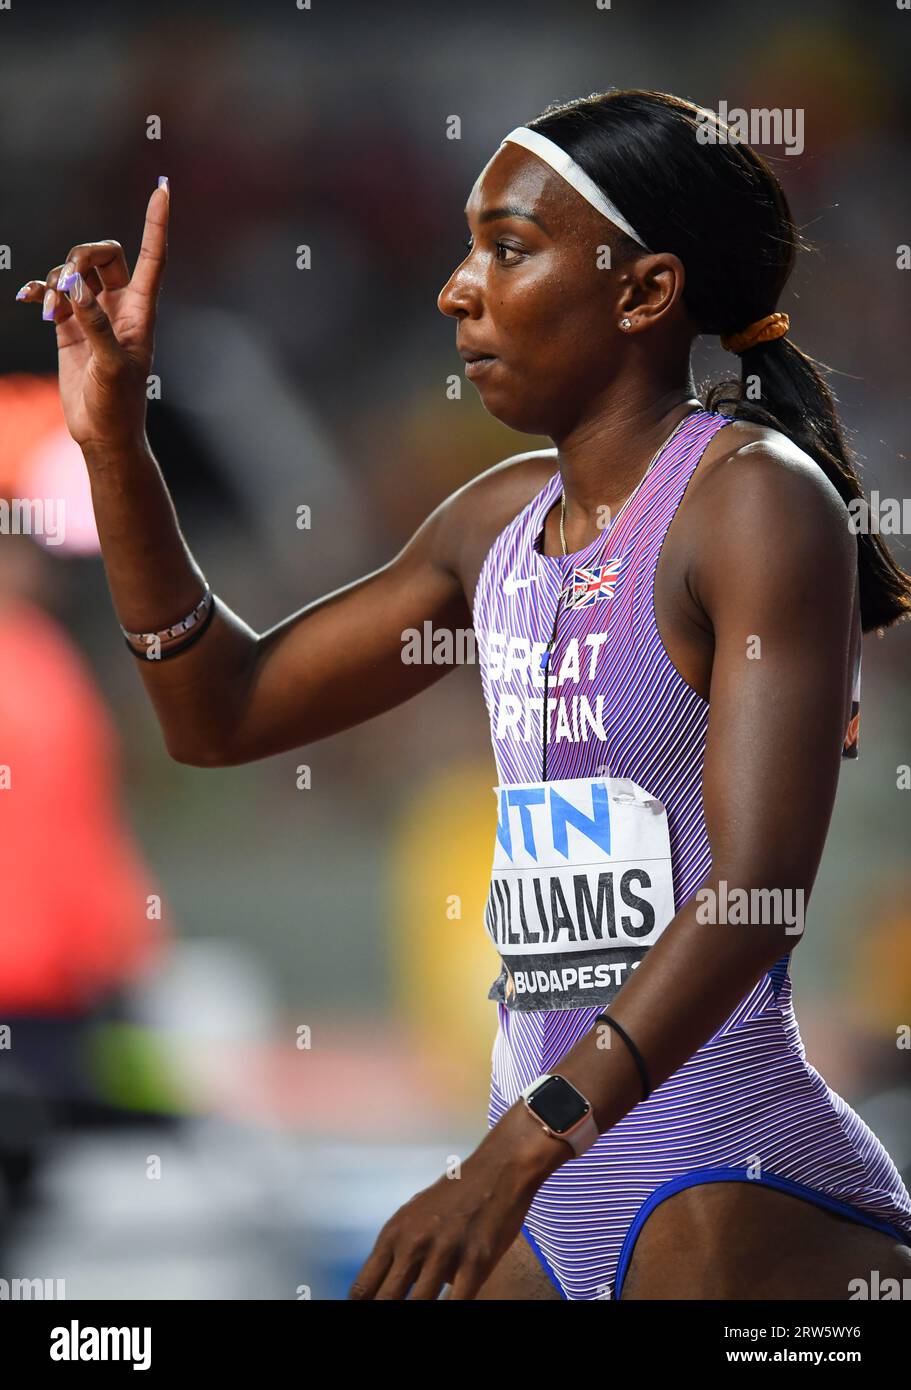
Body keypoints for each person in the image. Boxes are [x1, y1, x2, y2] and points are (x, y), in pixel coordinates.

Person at [16, 88, 911, 1301]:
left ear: (641, 292)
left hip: (717, 1169)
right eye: (464, 245)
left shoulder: (752, 501)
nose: (453, 287)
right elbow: (216, 713)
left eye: (506, 246)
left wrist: (512, 1152)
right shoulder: (490, 525)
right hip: (539, 1186)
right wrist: (115, 446)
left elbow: (751, 895)